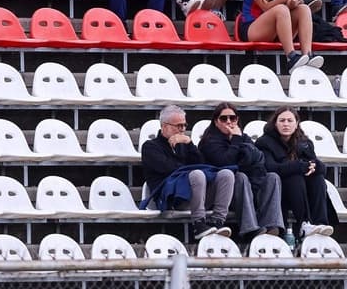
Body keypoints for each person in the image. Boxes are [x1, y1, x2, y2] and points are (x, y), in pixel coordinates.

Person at [140, 104, 235, 241]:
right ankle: (198, 224)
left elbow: (202, 164)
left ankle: (217, 221)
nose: (182, 130)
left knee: (226, 174)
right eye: (178, 126)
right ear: (164, 126)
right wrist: (189, 168)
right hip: (172, 198)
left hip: (196, 195)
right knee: (196, 174)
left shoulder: (185, 144)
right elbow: (169, 168)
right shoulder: (150, 147)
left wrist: (190, 144)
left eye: (184, 125)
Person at [199, 103, 286, 239]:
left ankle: (271, 225)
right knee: (240, 176)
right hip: (223, 192)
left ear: (237, 120)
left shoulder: (243, 137)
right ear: (216, 122)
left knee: (272, 177)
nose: (229, 122)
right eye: (224, 119)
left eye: (232, 118)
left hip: (249, 186)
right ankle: (250, 229)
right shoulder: (209, 142)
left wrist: (240, 147)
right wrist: (237, 141)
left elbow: (258, 159)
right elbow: (225, 163)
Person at [255, 107, 335, 240]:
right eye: (282, 120)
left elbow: (320, 167)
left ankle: (320, 223)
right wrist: (298, 166)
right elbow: (270, 168)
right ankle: (304, 223)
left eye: (290, 120)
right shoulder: (264, 142)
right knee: (295, 177)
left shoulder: (304, 142)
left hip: (304, 191)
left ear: (296, 123)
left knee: (318, 179)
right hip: (280, 192)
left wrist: (314, 166)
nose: (286, 124)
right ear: (275, 123)